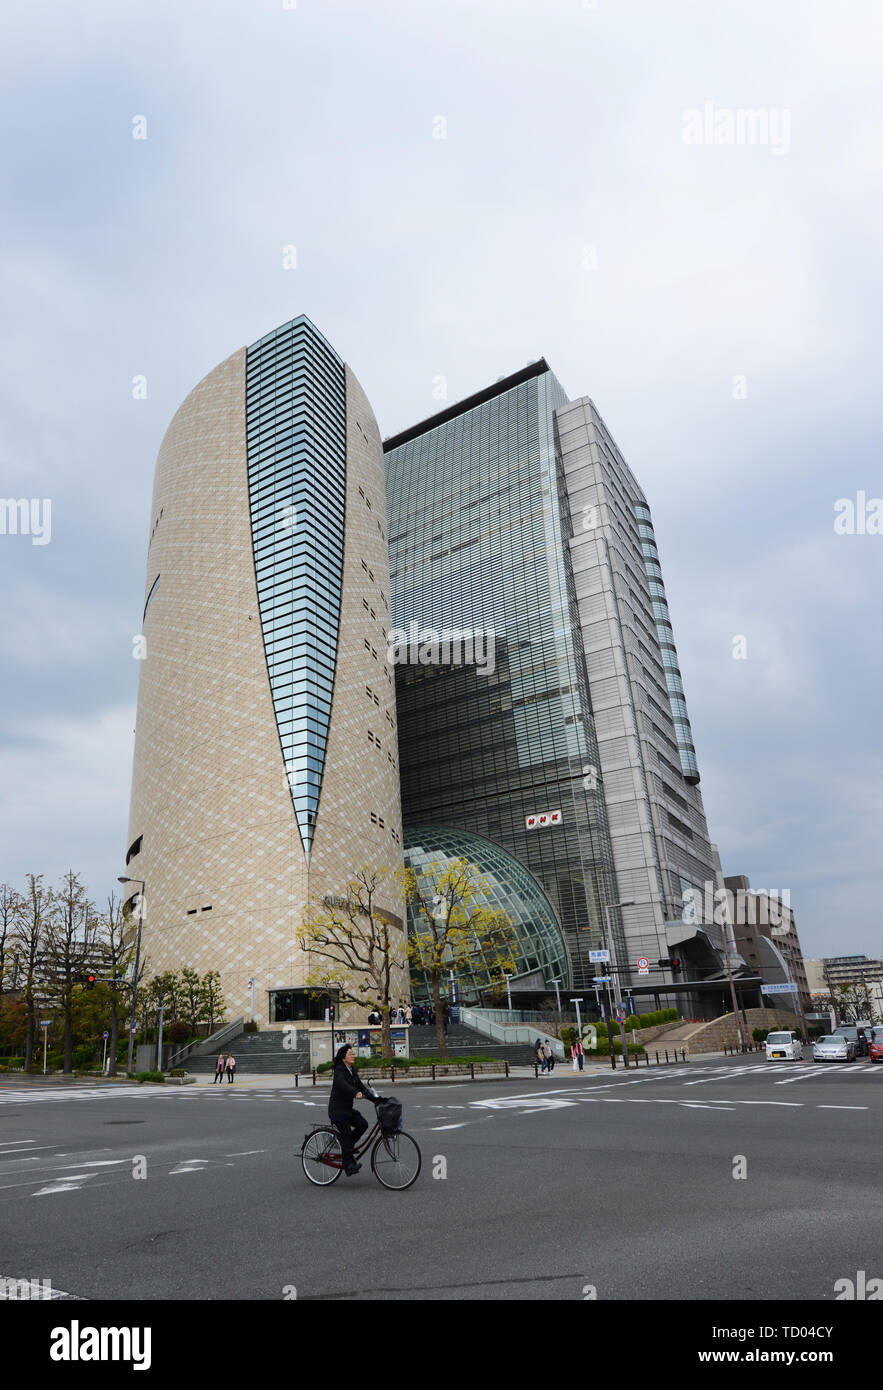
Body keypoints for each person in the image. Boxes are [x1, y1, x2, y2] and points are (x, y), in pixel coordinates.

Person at [328, 1043, 379, 1176]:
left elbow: (362, 1088)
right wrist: (354, 1093)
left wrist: (377, 1100)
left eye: (353, 1053)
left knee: (363, 1124)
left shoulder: (352, 1070)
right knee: (346, 1134)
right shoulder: (339, 1069)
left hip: (347, 1110)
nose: (353, 1056)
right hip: (337, 1111)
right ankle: (348, 1165)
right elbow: (342, 1084)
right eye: (350, 1053)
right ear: (344, 1057)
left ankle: (348, 1148)